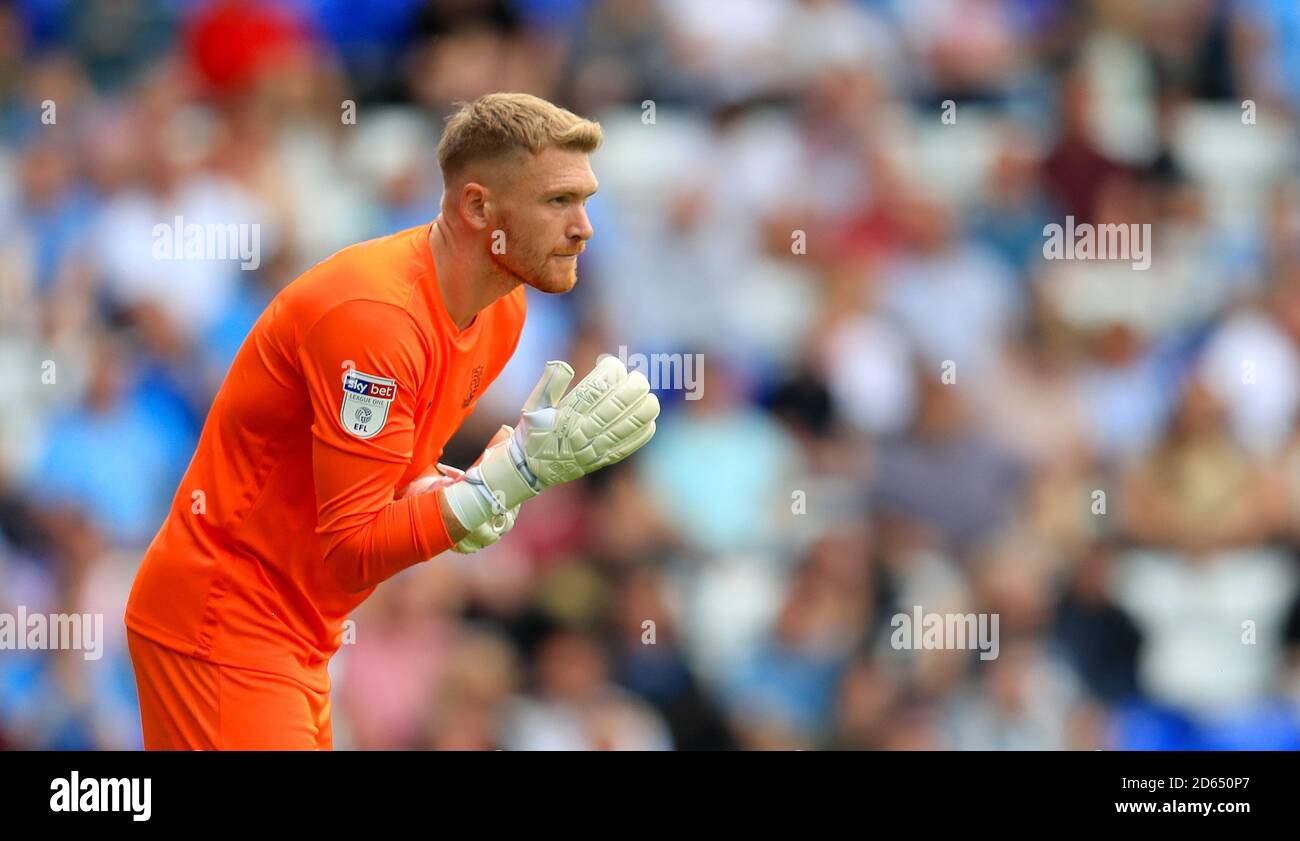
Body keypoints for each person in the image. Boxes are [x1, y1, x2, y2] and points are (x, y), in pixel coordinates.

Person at [124, 92, 660, 750]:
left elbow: (388, 483)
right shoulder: (375, 318)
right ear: (477, 208)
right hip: (223, 624)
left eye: (585, 199)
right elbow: (353, 546)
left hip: (297, 630)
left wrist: (466, 487)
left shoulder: (502, 310)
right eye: (558, 201)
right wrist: (500, 483)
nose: (584, 226)